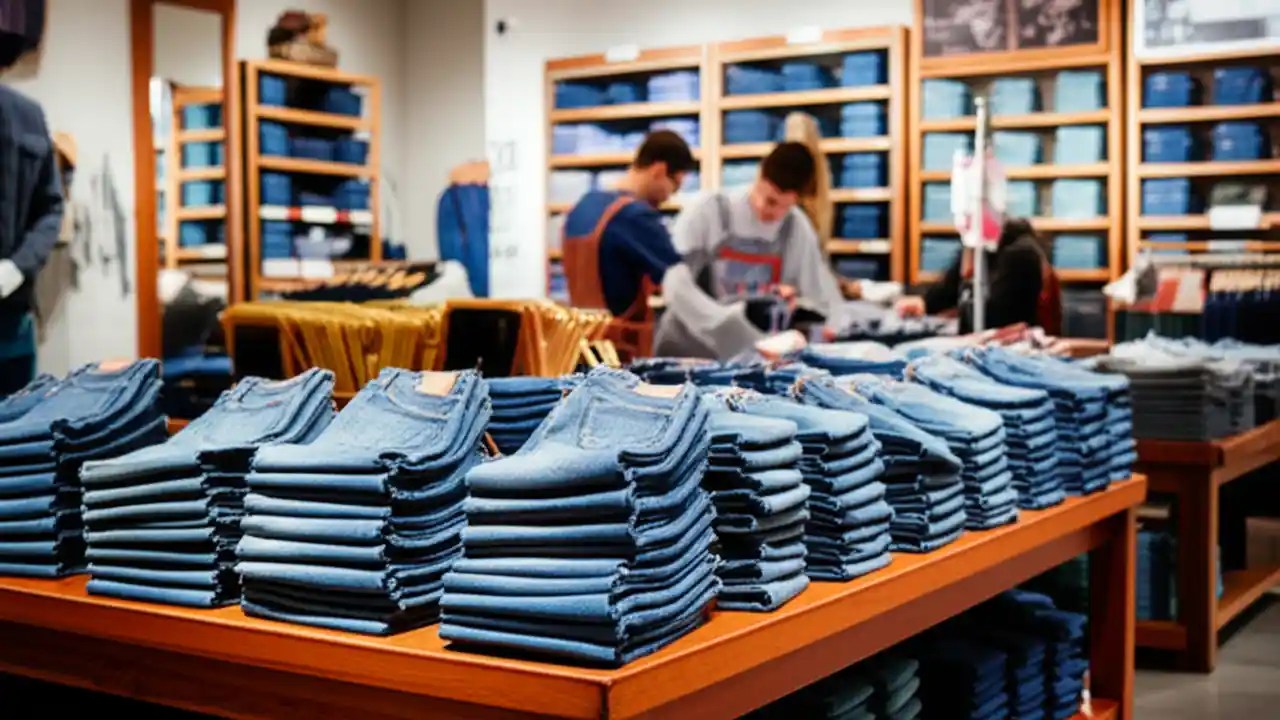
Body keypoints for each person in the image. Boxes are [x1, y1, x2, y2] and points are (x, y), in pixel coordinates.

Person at [655, 142, 846, 359]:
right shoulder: (708, 211)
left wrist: (810, 318)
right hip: (688, 350)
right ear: (759, 175)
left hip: (752, 355)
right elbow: (673, 281)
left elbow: (821, 294)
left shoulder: (794, 227)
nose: (771, 213)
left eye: (784, 207)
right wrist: (724, 323)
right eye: (770, 200)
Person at [560, 130, 694, 359]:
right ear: (660, 170)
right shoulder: (635, 217)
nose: (669, 197)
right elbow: (680, 282)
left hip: (575, 350)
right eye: (674, 186)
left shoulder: (582, 206)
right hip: (619, 357)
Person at [0, 84, 64, 396]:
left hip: (12, 320)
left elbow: (50, 208)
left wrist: (18, 266)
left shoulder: (27, 115)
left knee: (16, 435)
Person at [895, 218, 1062, 334]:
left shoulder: (1020, 254)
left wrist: (968, 277)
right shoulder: (984, 248)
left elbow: (995, 320)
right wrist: (926, 302)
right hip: (990, 341)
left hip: (1009, 346)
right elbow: (950, 286)